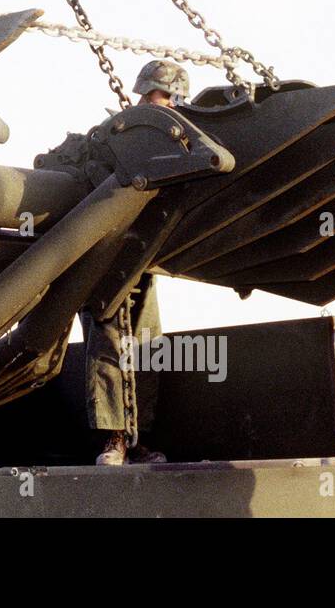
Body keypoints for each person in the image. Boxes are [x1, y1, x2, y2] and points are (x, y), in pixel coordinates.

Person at [86, 59, 189, 465]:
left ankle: (136, 437)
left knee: (148, 343)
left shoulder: (178, 139)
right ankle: (113, 440)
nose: (160, 103)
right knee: (111, 340)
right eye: (155, 94)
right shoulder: (117, 135)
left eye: (167, 96)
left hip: (145, 257)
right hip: (109, 255)